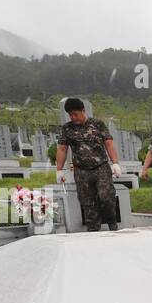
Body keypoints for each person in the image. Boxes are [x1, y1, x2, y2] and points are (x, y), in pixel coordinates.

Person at [56, 98, 121, 232]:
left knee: (106, 197)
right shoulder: (67, 128)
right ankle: (93, 232)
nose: (73, 117)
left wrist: (115, 163)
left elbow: (108, 142)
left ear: (83, 111)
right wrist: (59, 170)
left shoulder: (97, 124)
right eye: (70, 115)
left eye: (75, 114)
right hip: (81, 171)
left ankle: (112, 223)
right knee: (87, 203)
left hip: (100, 168)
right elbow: (62, 148)